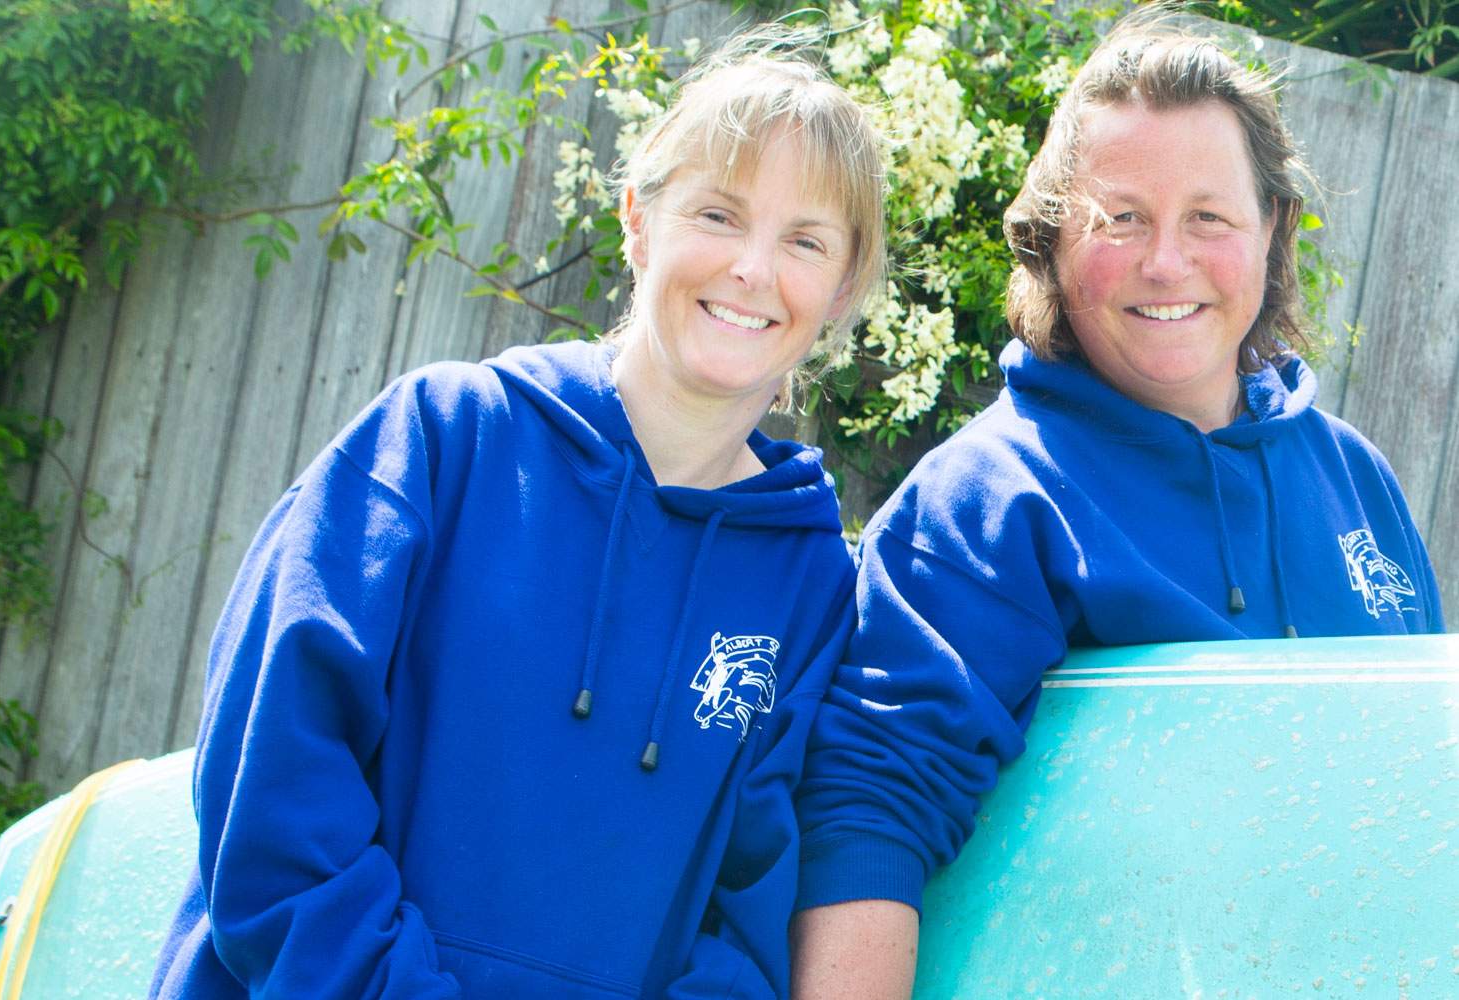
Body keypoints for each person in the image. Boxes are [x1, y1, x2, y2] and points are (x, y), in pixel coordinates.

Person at [148, 28, 888, 1000]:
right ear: (637, 219)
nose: (753, 268)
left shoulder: (811, 583)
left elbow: (750, 908)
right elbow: (274, 784)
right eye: (719, 213)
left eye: (804, 240)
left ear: (838, 289)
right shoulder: (443, 438)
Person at [789, 14, 1445, 999]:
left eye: (1209, 219)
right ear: (1051, 240)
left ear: (1272, 229)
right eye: (1120, 217)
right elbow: (868, 813)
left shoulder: (1359, 484)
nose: (1166, 263)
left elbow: (1418, 798)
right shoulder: (991, 499)